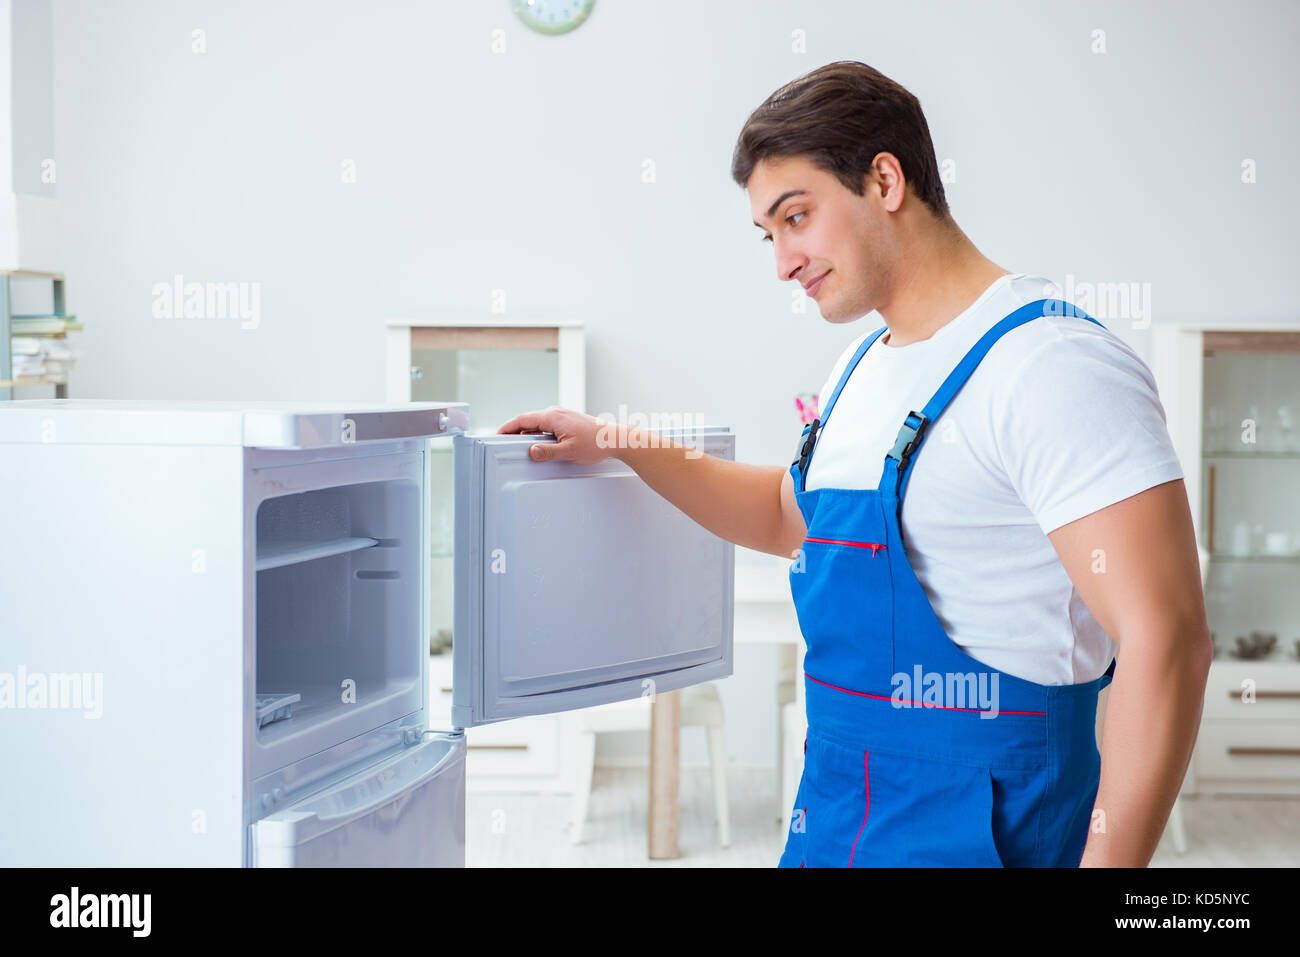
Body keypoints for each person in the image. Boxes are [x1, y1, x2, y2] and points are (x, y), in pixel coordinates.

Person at [497, 60, 1211, 867]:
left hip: (989, 830)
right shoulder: (862, 366)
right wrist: (617, 440)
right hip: (838, 817)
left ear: (885, 180)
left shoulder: (1052, 365)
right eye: (770, 234)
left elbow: (1168, 639)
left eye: (796, 217)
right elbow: (785, 516)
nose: (783, 262)